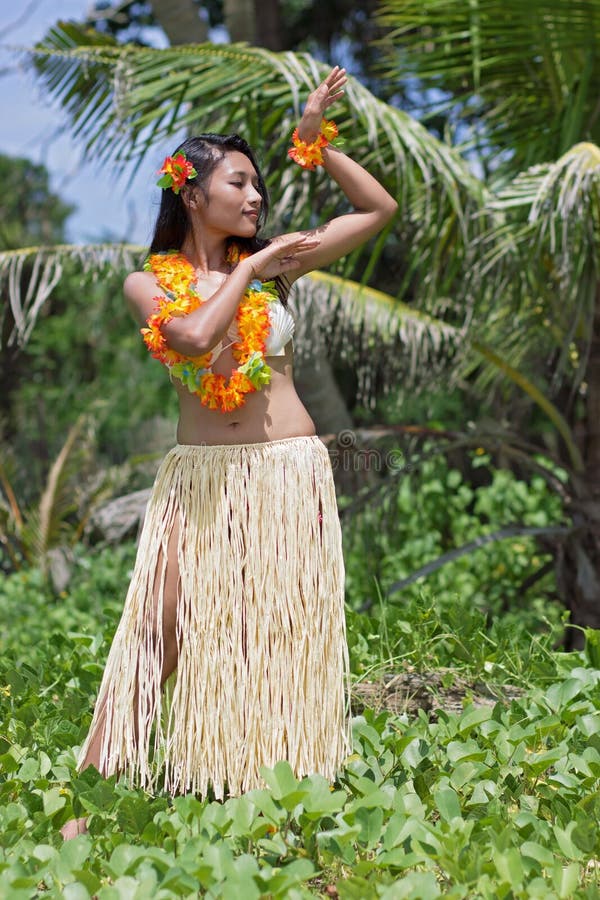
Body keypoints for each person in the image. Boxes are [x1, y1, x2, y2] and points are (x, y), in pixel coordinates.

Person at [61, 65, 397, 840]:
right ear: (191, 194)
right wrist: (247, 269)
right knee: (157, 629)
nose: (254, 199)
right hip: (202, 479)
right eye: (238, 184)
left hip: (286, 470)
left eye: (258, 187)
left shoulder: (278, 264)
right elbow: (192, 339)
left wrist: (315, 143)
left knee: (272, 634)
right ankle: (85, 806)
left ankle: (270, 799)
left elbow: (377, 209)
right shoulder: (150, 284)